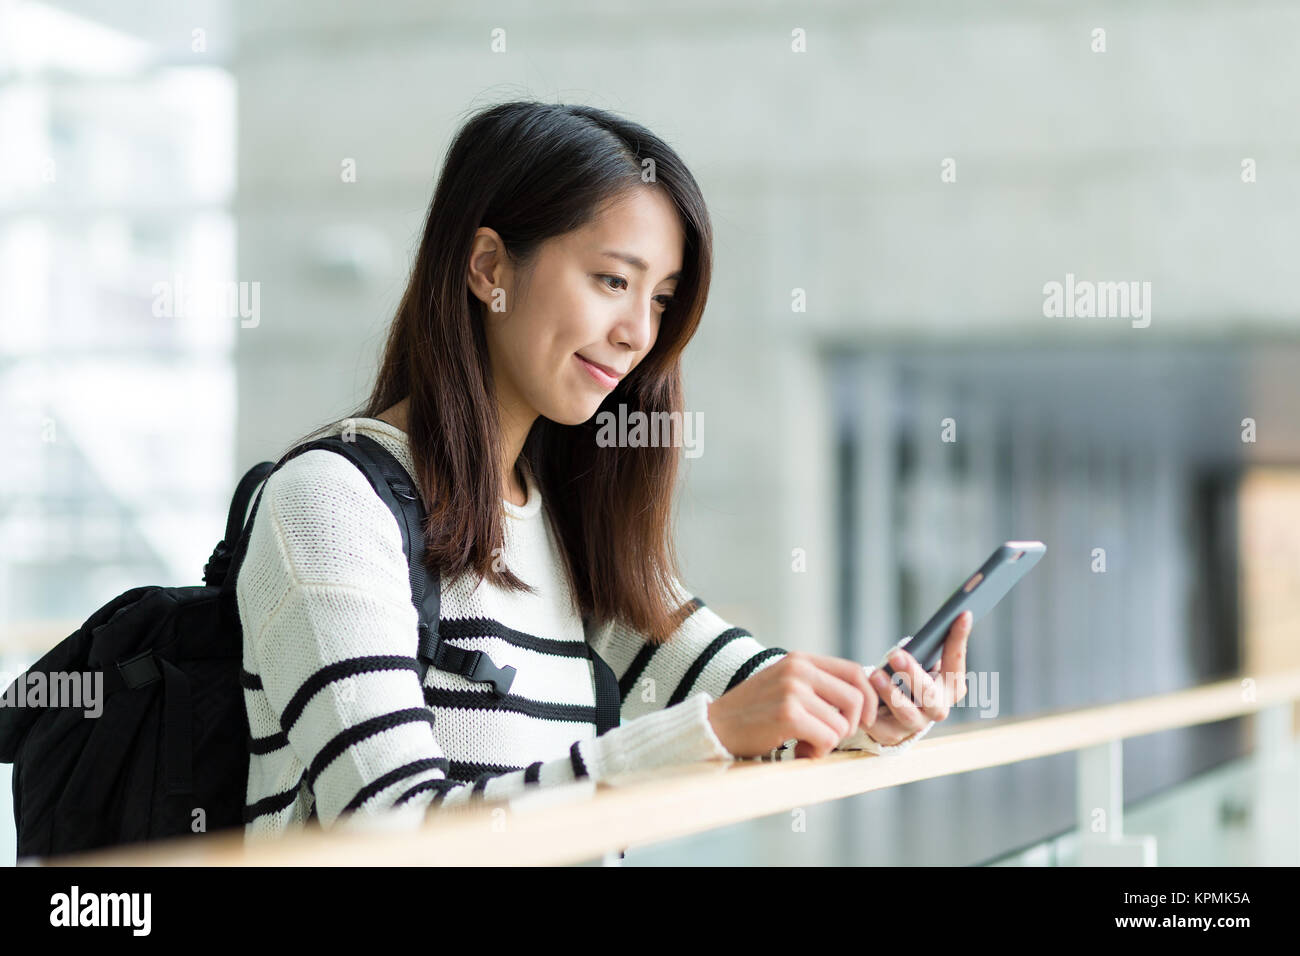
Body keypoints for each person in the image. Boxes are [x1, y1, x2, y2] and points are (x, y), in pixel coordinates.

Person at [237, 100, 972, 840]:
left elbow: (752, 697)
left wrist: (869, 709)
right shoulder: (330, 501)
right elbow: (389, 830)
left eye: (660, 299)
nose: (639, 335)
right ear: (488, 267)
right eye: (613, 281)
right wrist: (708, 732)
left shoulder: (558, 520)